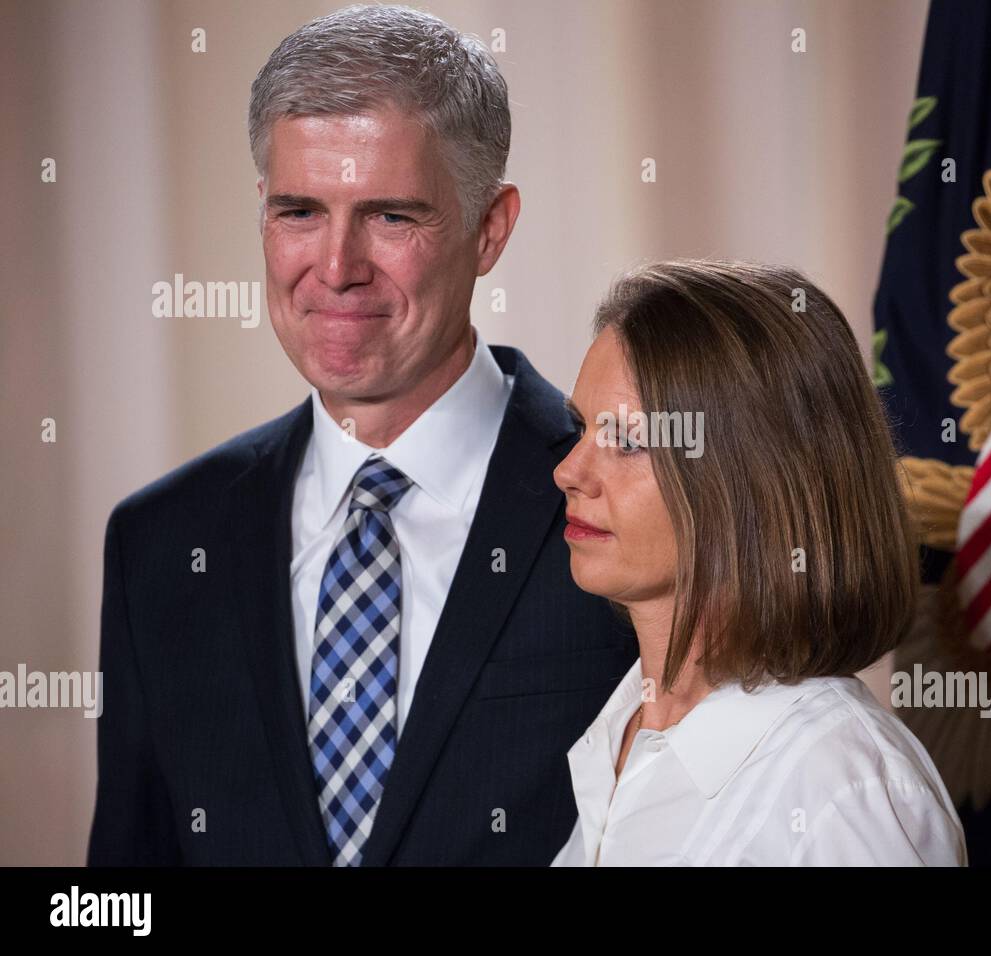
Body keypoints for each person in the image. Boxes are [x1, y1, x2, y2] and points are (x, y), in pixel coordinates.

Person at [87, 4, 635, 867]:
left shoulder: (629, 503)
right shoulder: (160, 542)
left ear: (490, 229)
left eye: (390, 217)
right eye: (300, 212)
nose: (336, 268)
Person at [550, 259, 968, 866]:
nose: (568, 472)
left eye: (628, 441)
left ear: (754, 483)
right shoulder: (620, 730)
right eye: (581, 427)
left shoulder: (843, 788)